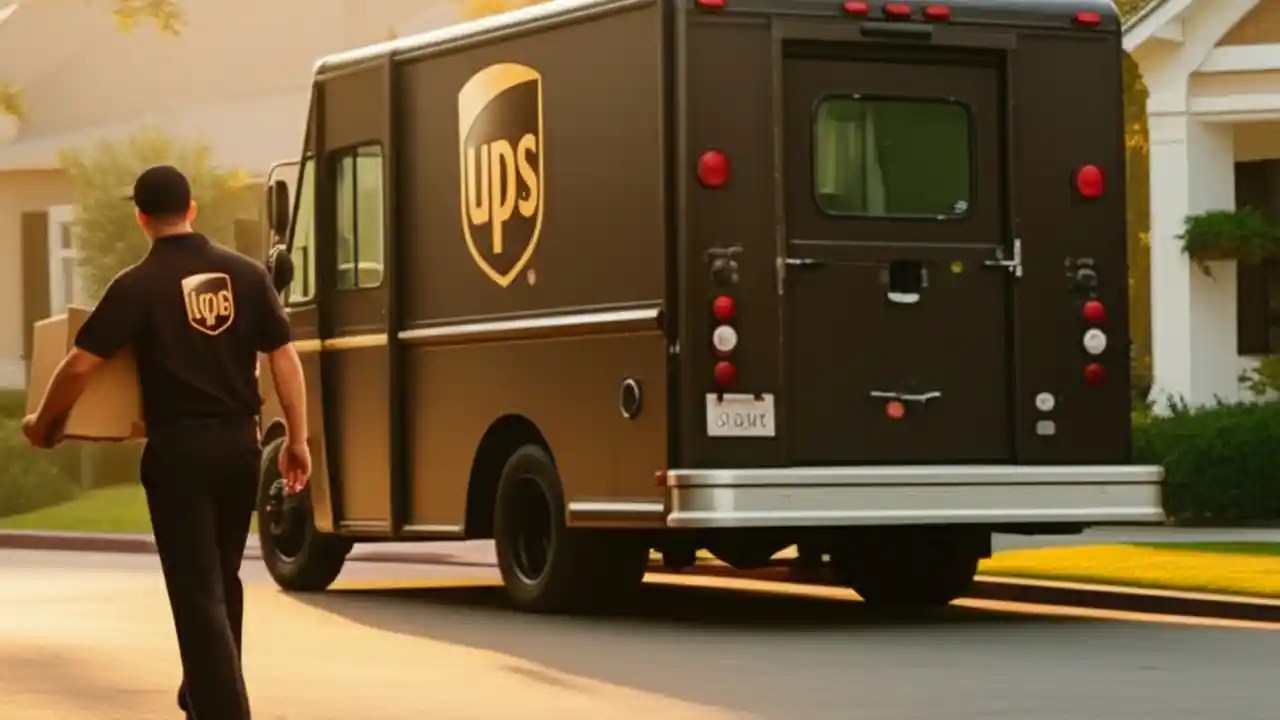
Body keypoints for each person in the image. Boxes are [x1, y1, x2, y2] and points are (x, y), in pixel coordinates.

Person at [21, 164, 312, 720]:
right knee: (221, 578)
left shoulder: (138, 285)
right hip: (240, 446)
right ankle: (201, 692)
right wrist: (297, 439)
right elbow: (284, 358)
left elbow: (79, 367)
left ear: (141, 218)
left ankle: (223, 709)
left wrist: (43, 424)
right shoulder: (247, 275)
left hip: (179, 453)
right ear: (191, 209)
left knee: (196, 588)